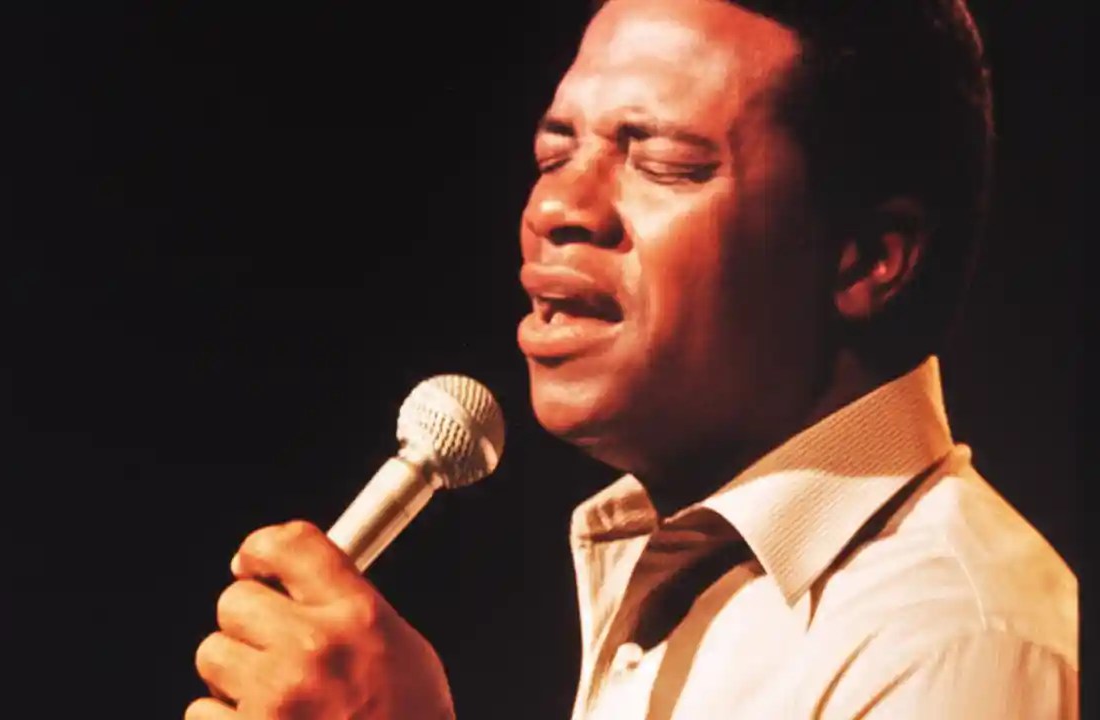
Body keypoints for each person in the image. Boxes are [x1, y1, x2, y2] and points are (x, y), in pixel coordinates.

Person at [185, 0, 1078, 717]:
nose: (558, 208)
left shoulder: (957, 641)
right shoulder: (681, 582)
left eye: (663, 163)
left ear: (868, 258)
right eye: (553, 152)